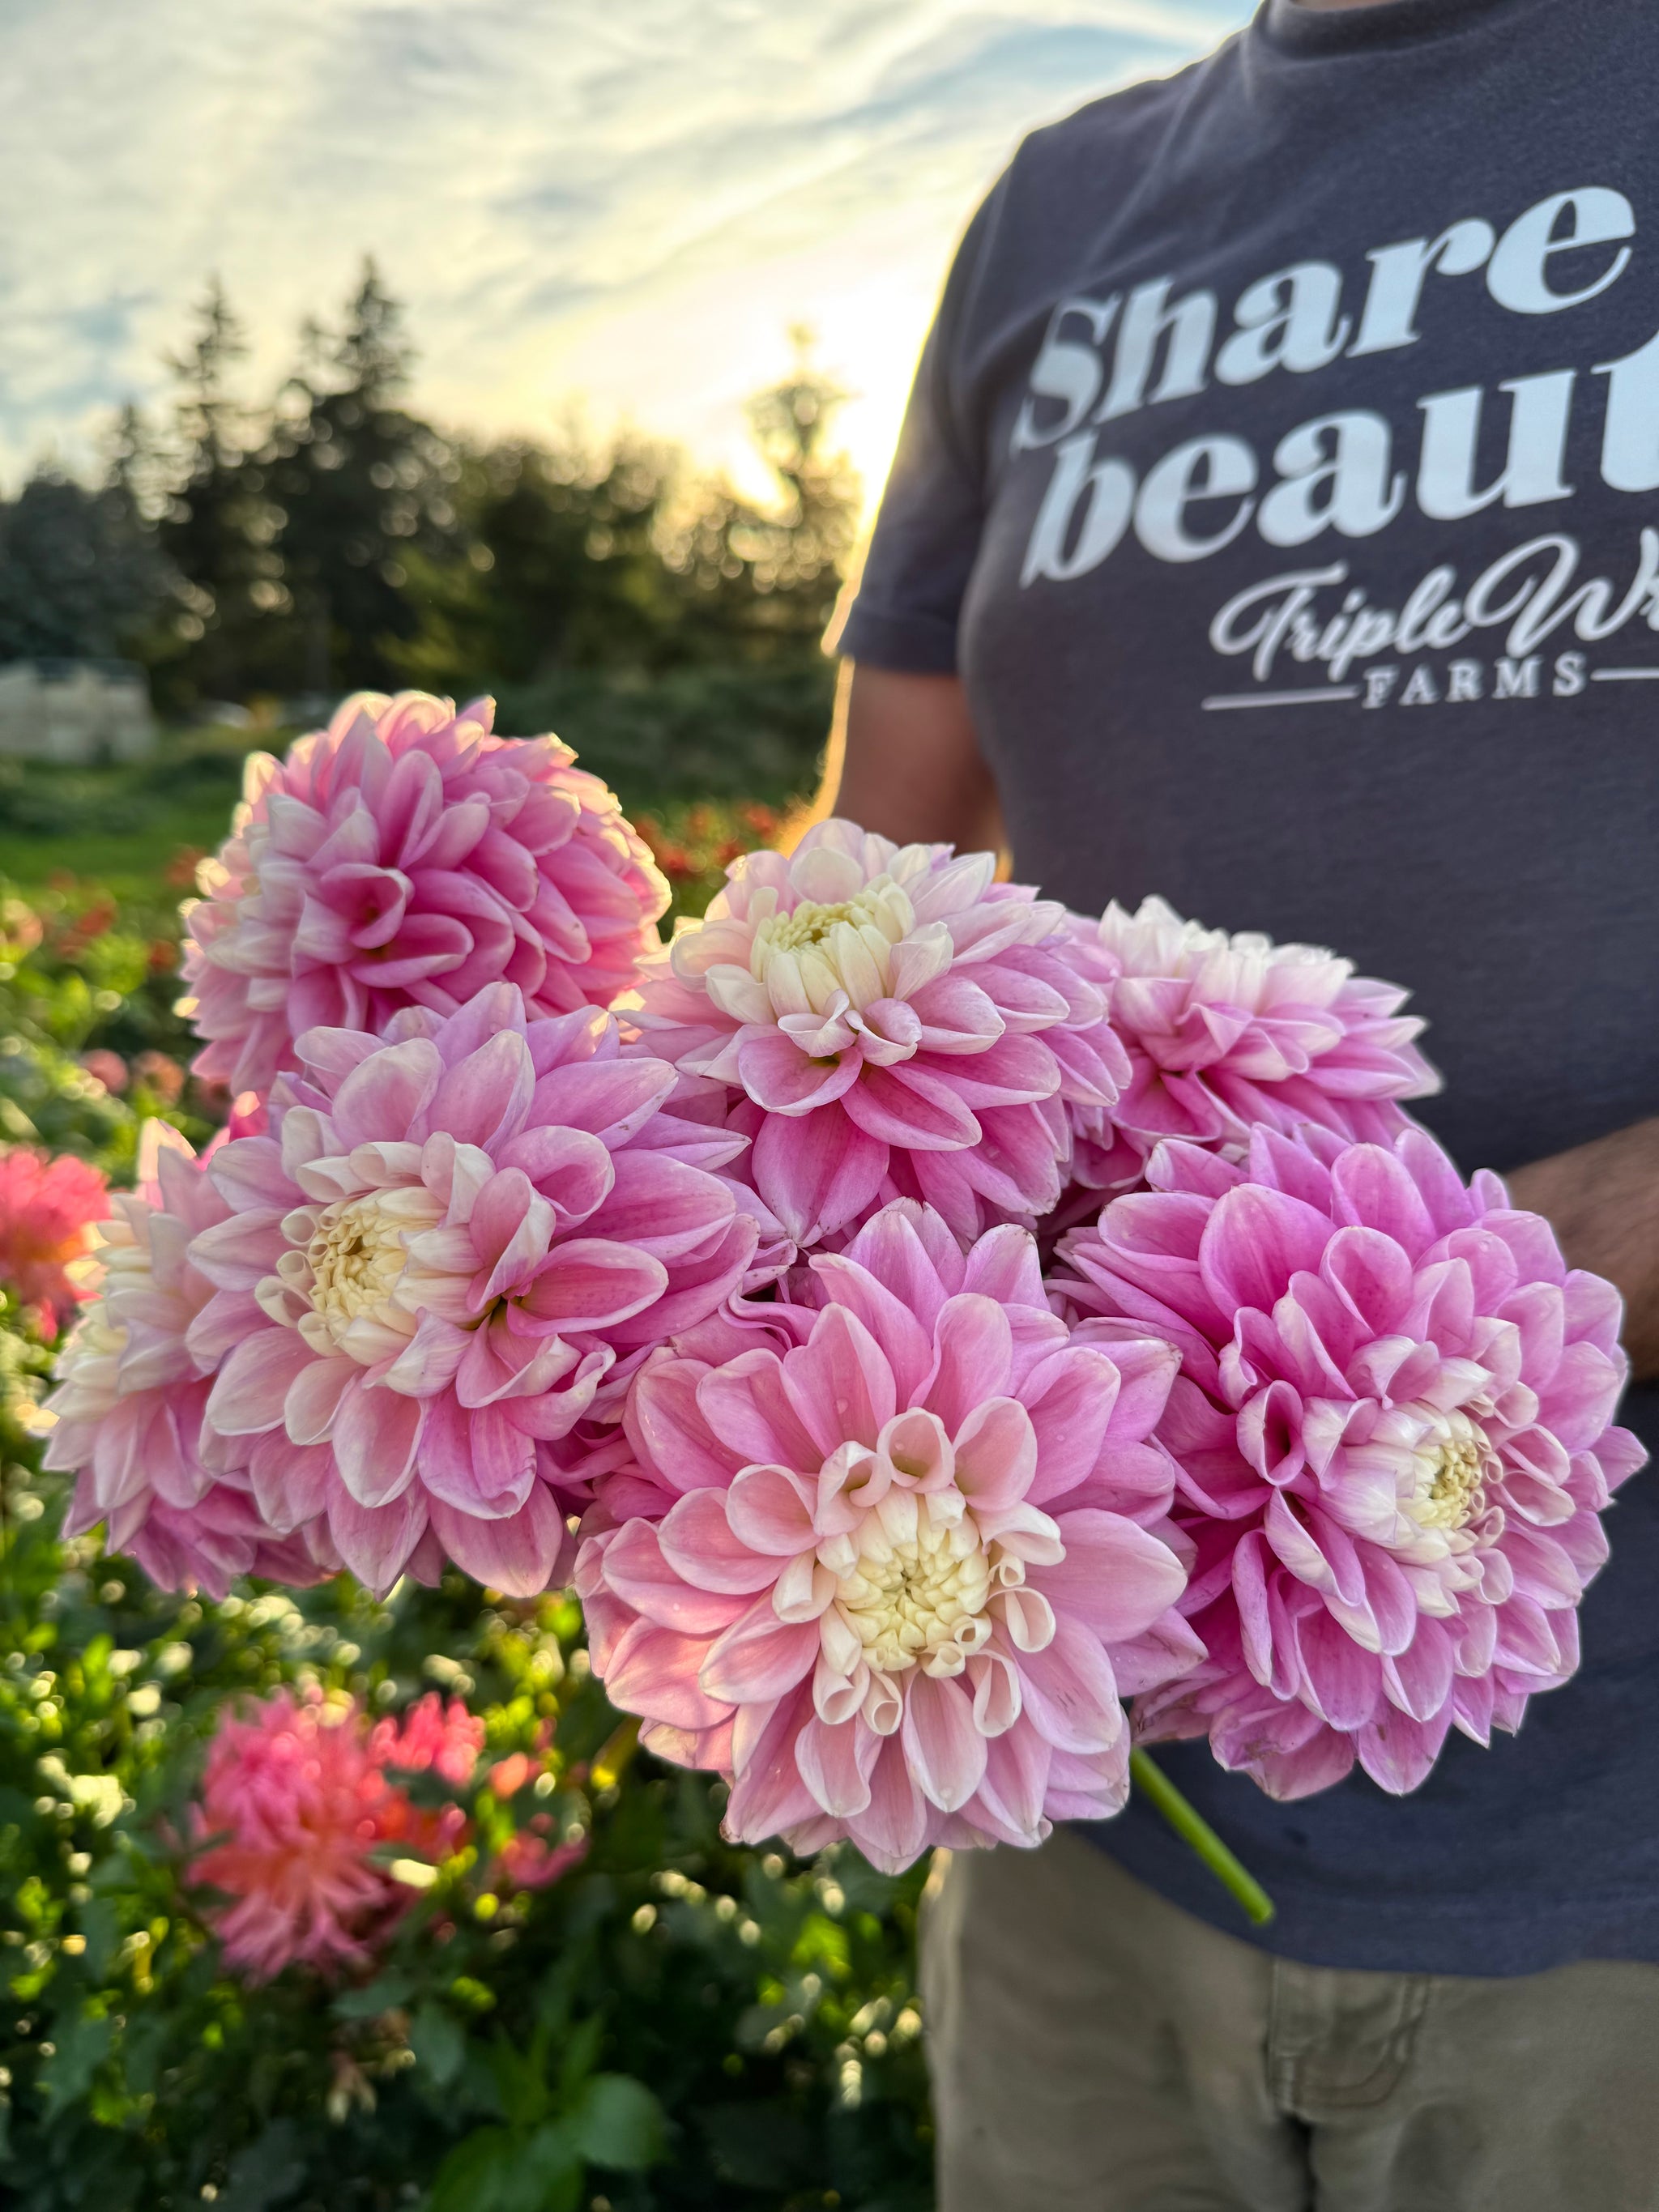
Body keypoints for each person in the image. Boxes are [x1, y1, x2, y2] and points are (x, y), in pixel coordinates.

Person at [822, 0, 1659, 2202]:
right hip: (1073, 1824)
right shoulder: (1056, 212)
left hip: (1619, 1918)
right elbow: (866, 878)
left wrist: (1491, 1293)